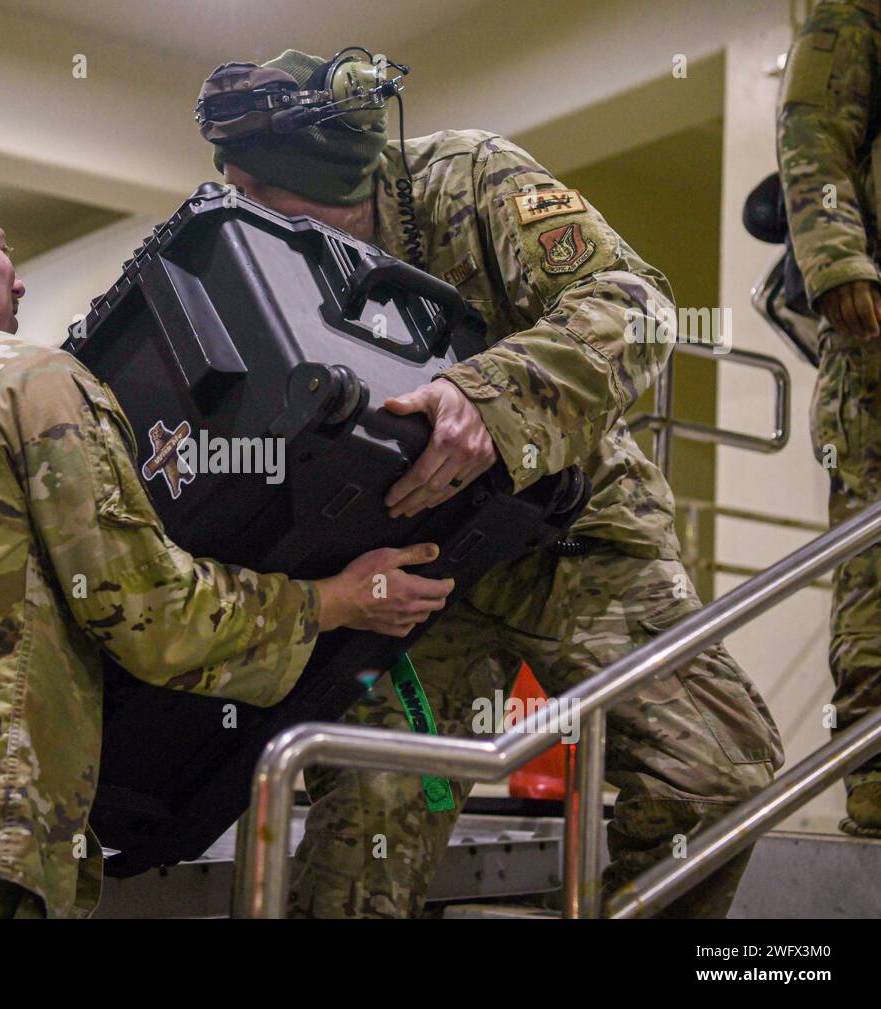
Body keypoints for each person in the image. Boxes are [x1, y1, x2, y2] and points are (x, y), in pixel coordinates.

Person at [0, 160, 455, 918]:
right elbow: (151, 612)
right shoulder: (27, 380)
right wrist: (333, 601)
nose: (16, 280)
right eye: (2, 249)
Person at [195, 49, 785, 917]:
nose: (250, 220)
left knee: (718, 775)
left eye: (270, 203)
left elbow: (636, 306)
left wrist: (488, 395)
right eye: (235, 194)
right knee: (369, 838)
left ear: (342, 186)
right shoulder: (247, 246)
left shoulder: (467, 179)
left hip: (573, 537)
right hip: (411, 572)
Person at [779, 0, 881, 838]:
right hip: (877, 339)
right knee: (875, 564)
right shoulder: (857, 11)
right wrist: (837, 256)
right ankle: (877, 787)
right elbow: (812, 129)